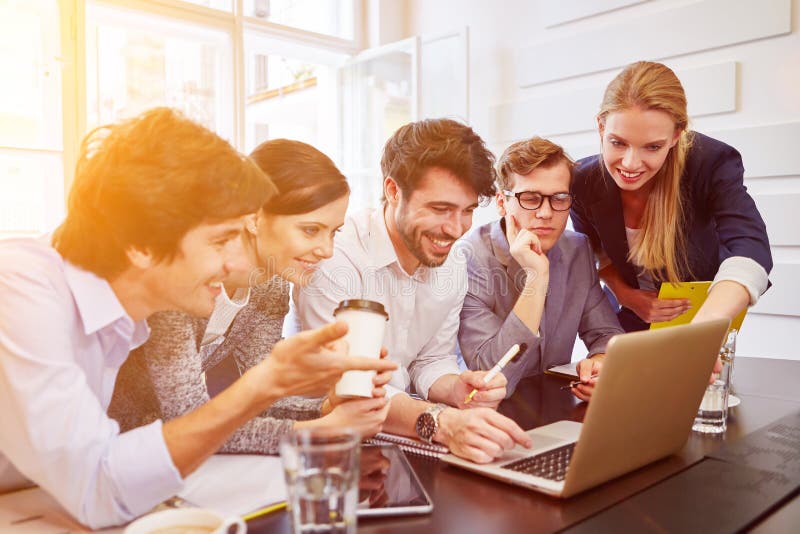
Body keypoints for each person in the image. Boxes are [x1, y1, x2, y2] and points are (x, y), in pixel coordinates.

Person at [0, 109, 396, 528]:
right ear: (142, 244)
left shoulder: (123, 316)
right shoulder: (21, 290)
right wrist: (271, 389)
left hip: (43, 494)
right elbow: (101, 485)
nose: (238, 260)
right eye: (223, 240)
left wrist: (311, 400)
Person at [108, 139, 391, 452]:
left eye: (334, 232)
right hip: (114, 450)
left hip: (167, 453)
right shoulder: (184, 281)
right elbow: (191, 419)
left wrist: (328, 408)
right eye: (311, 230)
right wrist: (320, 430)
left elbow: (259, 399)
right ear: (255, 218)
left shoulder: (269, 287)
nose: (327, 250)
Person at [293, 118, 533, 465]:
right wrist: (442, 421)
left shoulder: (450, 262)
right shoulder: (335, 258)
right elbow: (350, 388)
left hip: (397, 442)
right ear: (393, 191)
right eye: (440, 209)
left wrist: (456, 389)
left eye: (467, 211)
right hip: (325, 447)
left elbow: (431, 359)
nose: (455, 229)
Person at [570, 61, 772, 333]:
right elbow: (594, 254)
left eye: (653, 147)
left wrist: (703, 329)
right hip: (629, 317)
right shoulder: (582, 180)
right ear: (601, 127)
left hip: (704, 315)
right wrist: (627, 296)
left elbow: (750, 249)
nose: (630, 164)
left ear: (677, 135)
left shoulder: (710, 163)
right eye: (618, 142)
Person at [458, 137, 624, 399]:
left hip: (552, 407)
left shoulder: (577, 249)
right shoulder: (470, 258)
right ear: (502, 203)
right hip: (481, 412)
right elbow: (491, 376)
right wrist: (536, 278)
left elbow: (606, 333)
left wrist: (601, 362)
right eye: (531, 198)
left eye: (559, 198)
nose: (546, 213)